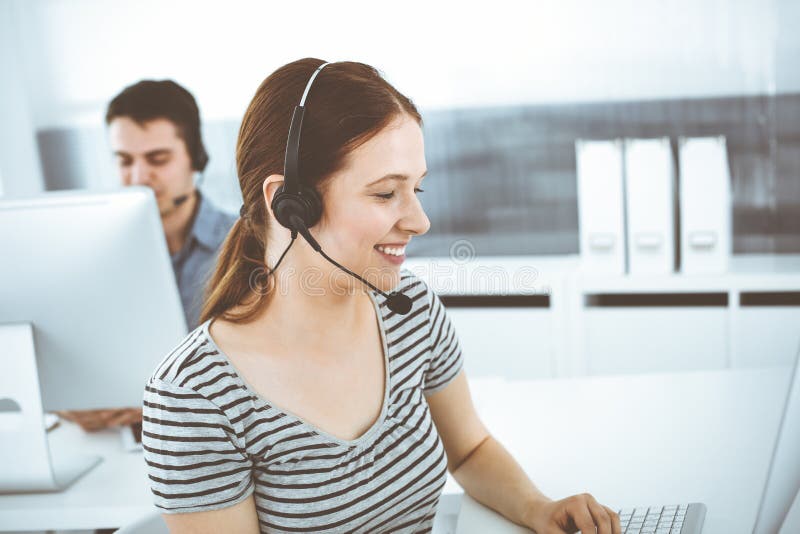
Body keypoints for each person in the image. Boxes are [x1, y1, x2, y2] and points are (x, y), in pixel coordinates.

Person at [142, 59, 621, 534]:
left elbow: (470, 450)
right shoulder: (192, 398)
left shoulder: (410, 311)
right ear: (290, 203)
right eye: (386, 194)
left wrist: (538, 508)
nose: (419, 221)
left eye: (417, 188)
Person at [57, 81, 236, 433]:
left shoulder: (246, 247)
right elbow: (71, 360)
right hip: (125, 448)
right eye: (124, 161)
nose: (139, 177)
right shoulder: (93, 259)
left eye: (158, 159)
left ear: (195, 157)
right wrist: (70, 404)